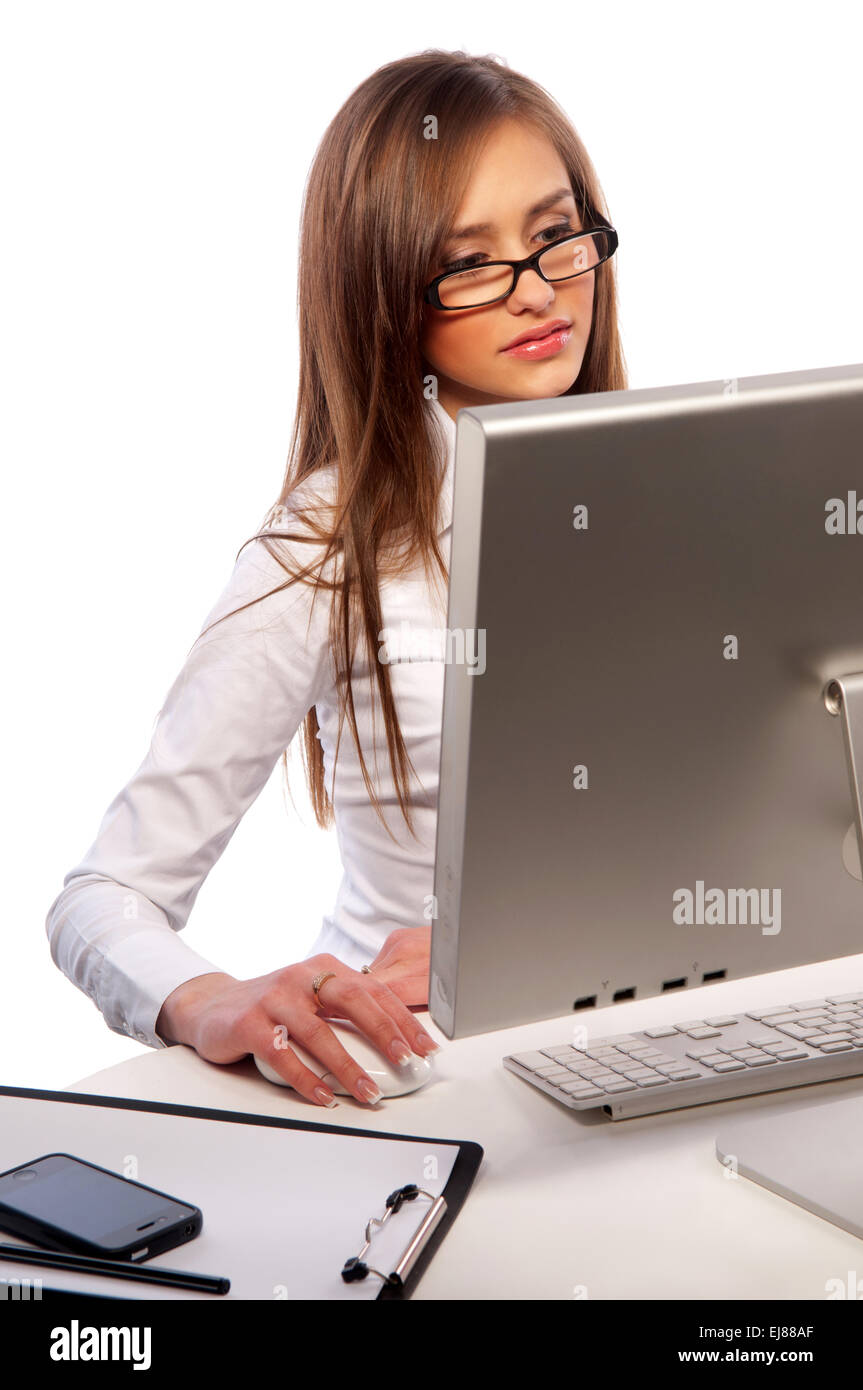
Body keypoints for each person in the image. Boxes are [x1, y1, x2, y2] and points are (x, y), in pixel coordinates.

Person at [45, 48, 626, 1108]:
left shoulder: (682, 494)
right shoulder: (323, 547)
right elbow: (103, 897)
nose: (537, 289)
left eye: (553, 238)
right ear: (386, 293)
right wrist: (208, 997)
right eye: (468, 261)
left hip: (651, 1056)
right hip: (417, 1088)